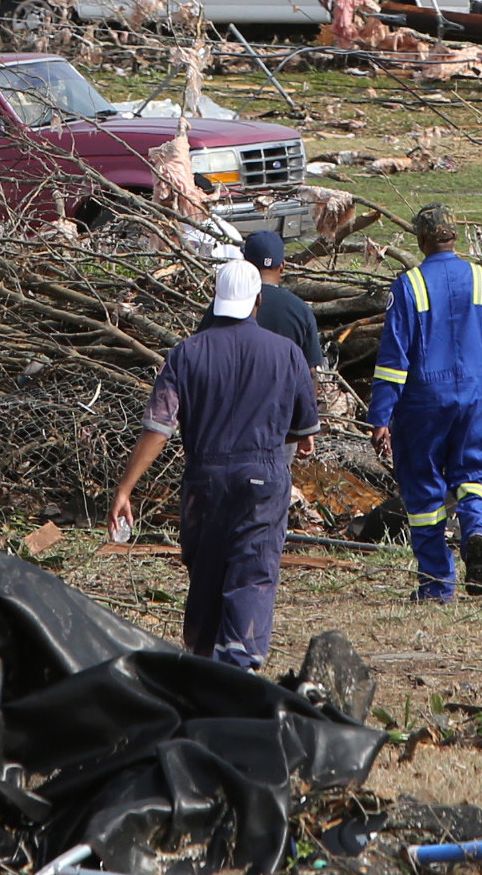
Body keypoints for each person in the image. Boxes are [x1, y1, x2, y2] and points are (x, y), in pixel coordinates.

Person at [107, 257, 317, 671]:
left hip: (205, 481)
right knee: (253, 571)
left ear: (217, 300)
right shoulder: (287, 354)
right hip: (263, 478)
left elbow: (158, 427)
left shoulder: (187, 354)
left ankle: (202, 658)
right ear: (258, 301)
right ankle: (238, 665)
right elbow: (303, 430)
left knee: (205, 571)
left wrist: (125, 488)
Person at [369, 204, 482, 602]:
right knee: (476, 476)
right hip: (475, 400)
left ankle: (437, 585)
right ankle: (478, 532)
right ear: (454, 236)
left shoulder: (409, 285)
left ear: (421, 240)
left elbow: (393, 360)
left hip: (422, 404)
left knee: (423, 490)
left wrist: (381, 416)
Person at [243, 226, 326, 374]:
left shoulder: (230, 304)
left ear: (245, 264)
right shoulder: (300, 310)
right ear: (282, 266)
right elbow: (311, 373)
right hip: (285, 388)